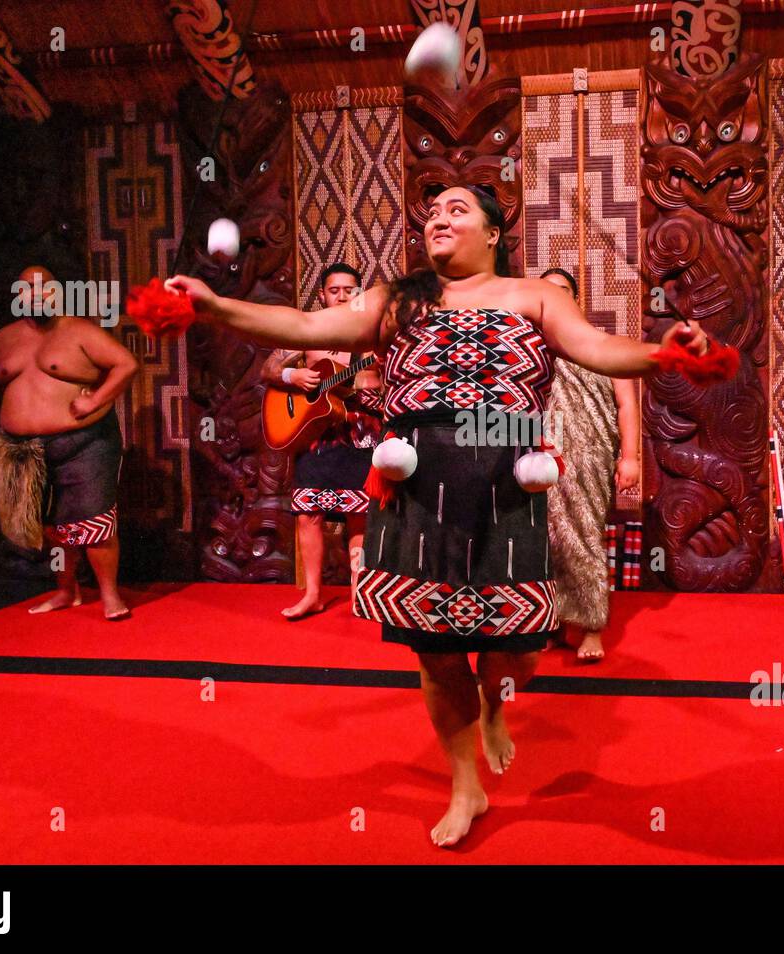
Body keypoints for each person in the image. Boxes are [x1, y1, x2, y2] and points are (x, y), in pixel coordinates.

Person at [166, 184, 707, 847]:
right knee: (436, 652)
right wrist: (215, 306)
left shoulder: (536, 296)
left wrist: (667, 354)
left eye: (457, 211)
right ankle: (465, 783)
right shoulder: (401, 300)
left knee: (519, 645)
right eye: (431, 215)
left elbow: (599, 350)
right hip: (419, 484)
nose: (438, 221)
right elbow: (305, 326)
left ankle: (494, 705)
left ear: (494, 232)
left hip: (505, 484)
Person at [0, 264, 140, 621]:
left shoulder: (79, 331)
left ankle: (109, 594)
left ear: (57, 293)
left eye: (43, 288)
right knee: (49, 525)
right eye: (27, 290)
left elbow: (126, 364)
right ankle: (66, 591)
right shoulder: (3, 340)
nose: (36, 295)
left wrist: (94, 400)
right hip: (22, 449)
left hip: (84, 442)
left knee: (94, 521)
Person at [259, 263, 383, 619]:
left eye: (350, 289)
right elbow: (267, 369)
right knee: (308, 513)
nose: (342, 296)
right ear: (322, 295)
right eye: (334, 290)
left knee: (359, 513)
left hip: (361, 431)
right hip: (317, 436)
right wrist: (291, 374)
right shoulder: (309, 332)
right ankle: (312, 594)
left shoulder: (373, 335)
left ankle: (361, 594)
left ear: (360, 294)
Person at [539, 267, 640, 662]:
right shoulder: (530, 348)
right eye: (547, 292)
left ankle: (592, 626)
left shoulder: (602, 343)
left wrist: (629, 457)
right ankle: (553, 620)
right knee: (543, 541)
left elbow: (626, 403)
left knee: (583, 535)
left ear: (576, 298)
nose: (556, 297)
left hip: (590, 455)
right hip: (539, 458)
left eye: (563, 291)